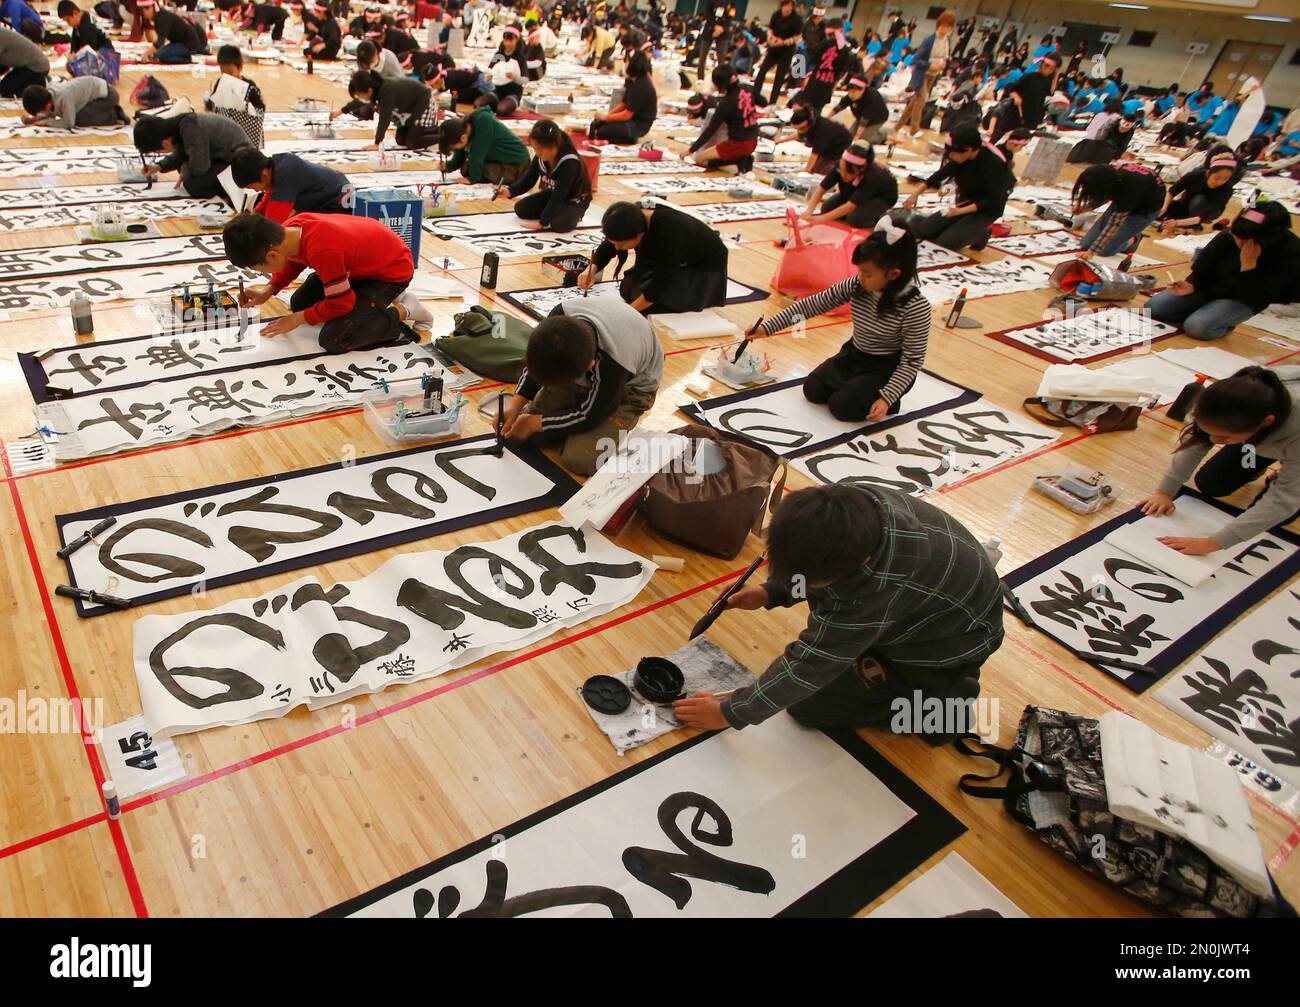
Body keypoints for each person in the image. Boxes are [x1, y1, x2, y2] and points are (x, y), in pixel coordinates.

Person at [673, 482, 1003, 740]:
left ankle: (945, 697)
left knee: (808, 707)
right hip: (917, 607)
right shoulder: (841, 506)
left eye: (808, 580)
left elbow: (809, 665)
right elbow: (812, 569)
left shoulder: (874, 592)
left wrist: (731, 713)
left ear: (858, 565)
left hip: (945, 641)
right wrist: (769, 591)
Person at [746, 216, 927, 422]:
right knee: (813, 390)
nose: (860, 278)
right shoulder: (857, 285)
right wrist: (767, 328)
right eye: (859, 271)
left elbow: (912, 361)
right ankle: (858, 388)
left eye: (867, 274)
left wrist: (887, 398)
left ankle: (882, 397)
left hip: (886, 368)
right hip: (854, 354)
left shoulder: (915, 307)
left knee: (842, 407)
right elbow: (811, 305)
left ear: (894, 274)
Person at [1140, 366, 1299, 555]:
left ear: (1265, 423)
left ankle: (1285, 471)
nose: (1213, 441)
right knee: (1212, 484)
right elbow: (1195, 442)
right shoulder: (1222, 399)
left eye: (1222, 438)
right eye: (1209, 433)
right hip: (1257, 437)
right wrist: (1164, 492)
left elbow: (1283, 501)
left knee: (1279, 515)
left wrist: (1214, 543)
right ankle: (1255, 466)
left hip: (1289, 440)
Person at [500, 292, 663, 475]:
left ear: (590, 366)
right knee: (524, 430)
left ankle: (593, 428)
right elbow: (536, 364)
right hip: (591, 367)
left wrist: (533, 423)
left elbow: (591, 414)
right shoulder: (560, 317)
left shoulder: (615, 361)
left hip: (629, 389)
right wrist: (515, 404)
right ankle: (569, 421)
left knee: (579, 460)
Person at [224, 212, 431, 351]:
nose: (258, 272)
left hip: (390, 274)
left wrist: (295, 320)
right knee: (300, 304)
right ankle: (372, 304)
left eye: (256, 268)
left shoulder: (324, 250)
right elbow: (293, 261)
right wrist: (269, 290)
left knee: (335, 339)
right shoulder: (289, 231)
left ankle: (405, 309)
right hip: (358, 267)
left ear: (271, 256)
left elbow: (341, 303)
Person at [1148, 203, 1300, 341]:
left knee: (1198, 328)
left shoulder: (1289, 252)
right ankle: (1205, 312)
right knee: (1155, 307)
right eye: (1237, 236)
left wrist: (1248, 265)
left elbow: (1260, 296)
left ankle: (1217, 320)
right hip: (1208, 289)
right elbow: (1203, 267)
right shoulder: (1229, 235)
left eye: (1245, 239)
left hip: (1243, 299)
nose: (1239, 242)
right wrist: (1192, 284)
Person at [579, 200, 728, 315]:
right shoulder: (632, 218)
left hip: (702, 269)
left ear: (639, 235)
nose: (617, 248)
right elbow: (609, 244)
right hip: (675, 262)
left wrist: (629, 313)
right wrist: (592, 268)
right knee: (628, 288)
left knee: (644, 300)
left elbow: (662, 279)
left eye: (621, 244)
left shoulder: (668, 229)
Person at [902, 126, 1008, 251]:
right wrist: (915, 194)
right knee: (923, 230)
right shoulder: (962, 157)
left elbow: (992, 201)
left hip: (986, 209)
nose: (951, 156)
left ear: (969, 150)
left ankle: (982, 233)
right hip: (966, 201)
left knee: (946, 242)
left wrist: (958, 211)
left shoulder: (994, 164)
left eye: (954, 152)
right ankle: (960, 227)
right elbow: (941, 174)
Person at [497, 118, 592, 232]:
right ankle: (556, 212)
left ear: (554, 145)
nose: (537, 153)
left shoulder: (569, 162)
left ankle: (573, 214)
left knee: (559, 225)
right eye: (535, 148)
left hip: (575, 199)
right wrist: (509, 191)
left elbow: (560, 194)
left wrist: (543, 222)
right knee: (521, 209)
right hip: (552, 193)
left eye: (539, 149)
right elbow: (529, 179)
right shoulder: (541, 156)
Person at [134, 111, 251, 201]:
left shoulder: (191, 129)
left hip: (240, 161)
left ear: (165, 143)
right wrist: (159, 166)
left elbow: (200, 167)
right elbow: (183, 153)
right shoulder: (178, 125)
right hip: (221, 156)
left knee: (193, 184)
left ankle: (231, 193)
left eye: (158, 152)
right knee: (184, 168)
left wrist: (185, 169)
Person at [1071, 161, 1165, 260]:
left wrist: (1091, 252)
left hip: (1143, 212)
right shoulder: (1110, 175)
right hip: (1126, 199)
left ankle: (1134, 239)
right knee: (1086, 244)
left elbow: (1114, 223)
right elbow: (1104, 193)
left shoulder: (1128, 190)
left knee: (1104, 251)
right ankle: (1122, 236)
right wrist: (1086, 208)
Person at [232, 149, 351, 222]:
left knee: (299, 230)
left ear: (264, 175)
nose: (255, 190)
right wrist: (251, 218)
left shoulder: (286, 173)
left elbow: (274, 222)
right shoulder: (274, 166)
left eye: (251, 187)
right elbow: (268, 201)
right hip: (325, 194)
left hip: (338, 201)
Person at [801, 142, 897, 230]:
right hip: (852, 191)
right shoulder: (840, 165)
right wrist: (809, 211)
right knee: (826, 208)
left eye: (849, 173)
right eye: (841, 171)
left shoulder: (872, 176)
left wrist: (821, 219)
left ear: (862, 169)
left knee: (855, 219)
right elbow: (821, 189)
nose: (843, 175)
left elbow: (850, 205)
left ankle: (880, 216)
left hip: (881, 197)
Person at [687, 66, 761, 173]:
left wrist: (691, 150)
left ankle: (740, 162)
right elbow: (763, 102)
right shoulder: (747, 88)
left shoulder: (725, 104)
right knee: (707, 156)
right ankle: (741, 160)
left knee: (701, 160)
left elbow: (710, 130)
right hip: (753, 140)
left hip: (738, 144)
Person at [437, 104, 531, 184]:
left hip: (517, 164)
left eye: (453, 148)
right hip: (499, 160)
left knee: (469, 169)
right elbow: (460, 156)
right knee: (467, 169)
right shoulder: (462, 128)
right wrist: (447, 166)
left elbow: (477, 154)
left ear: (463, 138)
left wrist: (473, 179)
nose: (455, 150)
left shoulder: (483, 121)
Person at [896, 9, 954, 136]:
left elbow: (945, 57)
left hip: (933, 75)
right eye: (943, 25)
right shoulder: (929, 40)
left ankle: (898, 126)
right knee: (922, 100)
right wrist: (931, 65)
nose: (945, 29)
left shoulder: (947, 40)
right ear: (939, 24)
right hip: (921, 74)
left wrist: (943, 64)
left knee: (914, 102)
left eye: (949, 26)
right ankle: (914, 130)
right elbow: (916, 60)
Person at [349, 70, 437, 150]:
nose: (360, 97)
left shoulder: (386, 91)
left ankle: (443, 135)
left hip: (424, 101)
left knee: (412, 142)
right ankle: (426, 132)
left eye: (359, 94)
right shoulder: (376, 90)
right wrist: (341, 111)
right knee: (400, 140)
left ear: (369, 90)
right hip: (409, 108)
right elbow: (359, 102)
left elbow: (384, 119)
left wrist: (377, 143)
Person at [589, 49, 656, 142]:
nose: (625, 64)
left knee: (603, 132)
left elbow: (627, 115)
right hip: (630, 119)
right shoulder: (631, 80)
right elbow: (624, 104)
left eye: (627, 62)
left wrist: (606, 117)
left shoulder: (642, 85)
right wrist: (608, 116)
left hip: (639, 124)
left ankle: (630, 138)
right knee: (597, 124)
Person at [1158, 156, 1238, 232]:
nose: (1220, 182)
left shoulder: (1227, 189)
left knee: (1198, 201)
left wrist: (1177, 223)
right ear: (1208, 173)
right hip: (1185, 204)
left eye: (1225, 179)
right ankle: (1185, 220)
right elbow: (1172, 191)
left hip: (1205, 212)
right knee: (1163, 210)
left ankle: (1192, 224)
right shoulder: (1196, 175)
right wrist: (1164, 207)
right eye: (1217, 178)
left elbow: (1206, 215)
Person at [991, 50, 1058, 140]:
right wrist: (1016, 97)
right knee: (999, 136)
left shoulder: (1047, 81)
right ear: (1044, 65)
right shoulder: (1030, 76)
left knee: (1020, 141)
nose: (1051, 72)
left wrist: (1057, 74)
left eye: (1053, 70)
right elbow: (1011, 88)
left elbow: (1051, 93)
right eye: (1051, 69)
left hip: (1032, 117)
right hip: (1017, 113)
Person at [20, 76, 126, 129]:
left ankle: (115, 115)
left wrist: (46, 123)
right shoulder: (49, 97)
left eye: (40, 112)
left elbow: (69, 123)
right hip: (95, 97)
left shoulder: (63, 97)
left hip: (107, 96)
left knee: (79, 118)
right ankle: (109, 112)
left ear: (47, 105)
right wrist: (35, 119)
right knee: (76, 113)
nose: (42, 114)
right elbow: (50, 113)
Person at [751, 0, 801, 104]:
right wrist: (770, 37)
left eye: (790, 6)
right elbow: (770, 28)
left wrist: (784, 42)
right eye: (786, 5)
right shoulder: (776, 14)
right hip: (773, 47)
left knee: (779, 77)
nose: (787, 8)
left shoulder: (797, 18)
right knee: (762, 71)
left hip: (787, 50)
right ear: (782, 5)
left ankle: (772, 103)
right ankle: (754, 97)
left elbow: (798, 36)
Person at [788, 106, 851, 174]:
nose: (799, 131)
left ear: (807, 125)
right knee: (815, 166)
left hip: (839, 147)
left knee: (819, 169)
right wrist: (780, 140)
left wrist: (806, 170)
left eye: (801, 128)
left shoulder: (821, 130)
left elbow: (816, 152)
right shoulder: (811, 123)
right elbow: (799, 134)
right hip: (829, 144)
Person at [831, 73, 888, 144]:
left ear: (863, 89)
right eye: (850, 91)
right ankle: (872, 132)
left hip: (877, 118)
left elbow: (864, 121)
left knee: (862, 140)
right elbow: (838, 108)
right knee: (849, 136)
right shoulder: (850, 95)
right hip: (860, 116)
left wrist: (857, 137)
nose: (851, 94)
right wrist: (826, 119)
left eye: (854, 91)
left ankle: (883, 135)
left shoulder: (871, 98)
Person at [138, 0, 203, 63]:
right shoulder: (158, 17)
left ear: (153, 7)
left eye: (147, 8)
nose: (145, 12)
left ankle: (187, 59)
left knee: (162, 56)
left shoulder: (162, 18)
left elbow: (160, 42)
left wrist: (146, 54)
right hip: (178, 42)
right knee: (158, 54)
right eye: (142, 9)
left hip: (188, 44)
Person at [0, 22, 46, 96]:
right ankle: (36, 83)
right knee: (4, 87)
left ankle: (38, 89)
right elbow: (4, 66)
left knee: (5, 91)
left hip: (36, 67)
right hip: (28, 66)